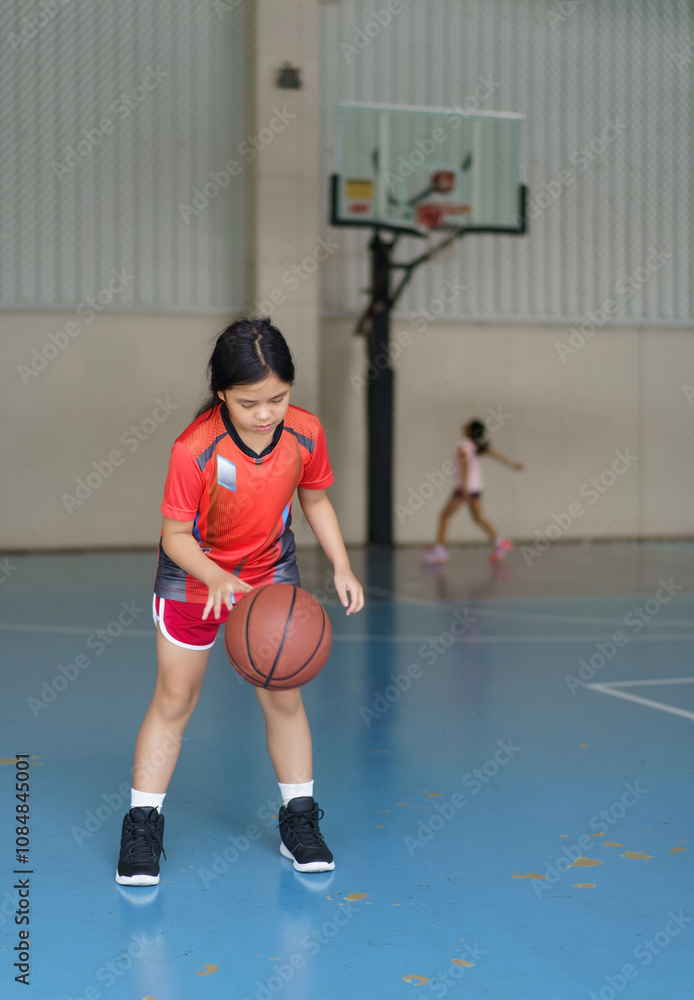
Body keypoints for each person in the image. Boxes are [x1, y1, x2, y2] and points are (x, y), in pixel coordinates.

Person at [116, 318, 364, 886]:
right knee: (175, 697)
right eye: (250, 401)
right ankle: (142, 824)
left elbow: (316, 500)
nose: (265, 412)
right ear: (222, 393)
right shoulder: (194, 448)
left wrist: (343, 566)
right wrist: (217, 576)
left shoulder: (304, 431)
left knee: (283, 697)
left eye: (278, 397)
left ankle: (299, 820)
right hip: (194, 576)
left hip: (270, 574)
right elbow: (175, 537)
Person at [422, 419, 523, 565]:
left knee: (444, 516)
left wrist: (463, 487)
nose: (463, 425)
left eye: (467, 425)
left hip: (465, 488)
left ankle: (440, 551)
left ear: (469, 430)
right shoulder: (477, 446)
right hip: (476, 488)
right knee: (478, 517)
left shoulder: (463, 445)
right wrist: (512, 465)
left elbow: (465, 466)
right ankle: (500, 542)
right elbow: (494, 454)